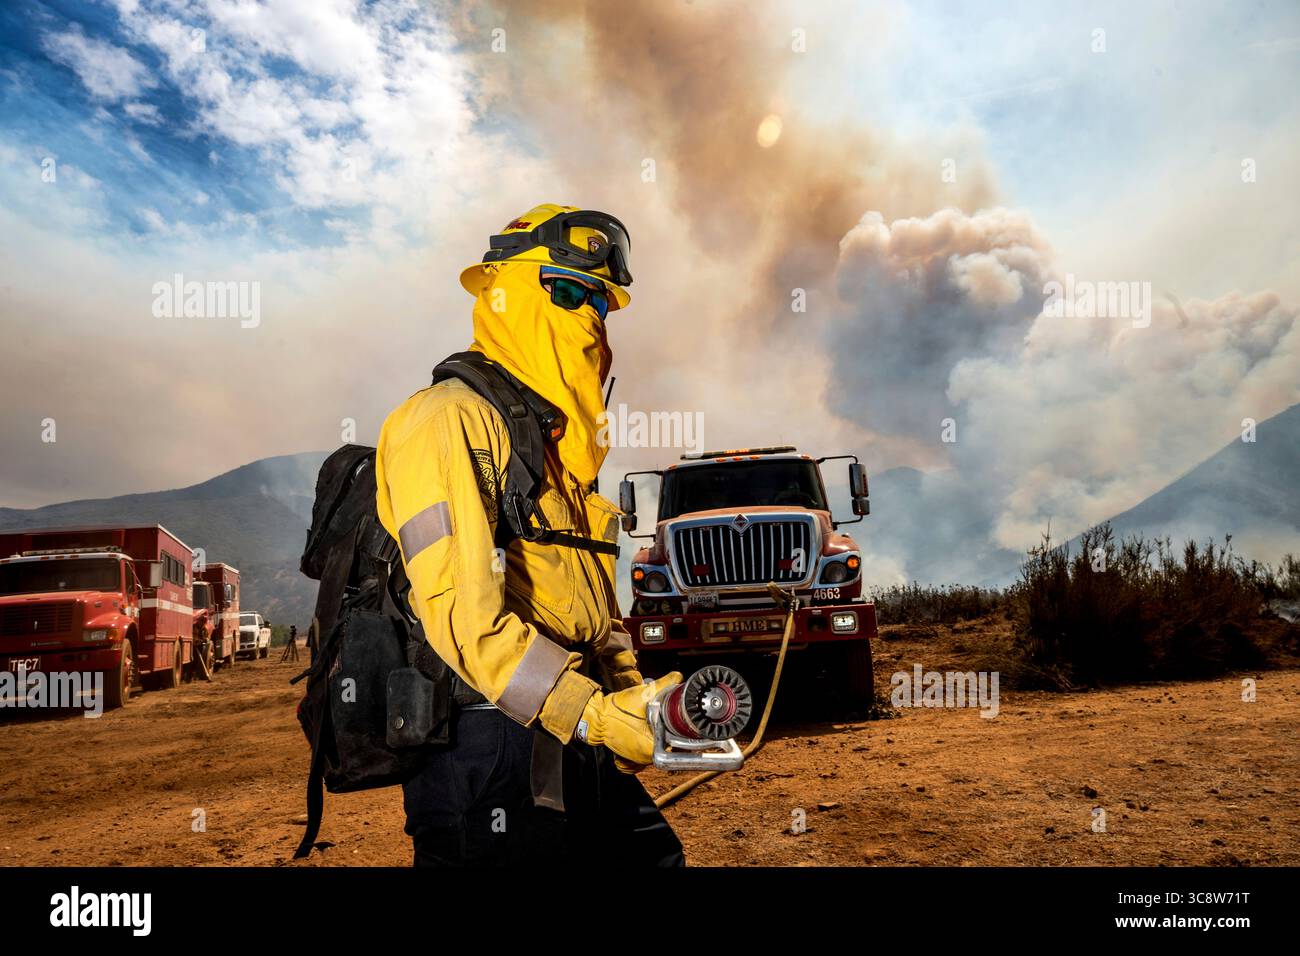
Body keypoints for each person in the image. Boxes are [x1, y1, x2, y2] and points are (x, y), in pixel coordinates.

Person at [375, 204, 685, 866]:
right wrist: (599, 717)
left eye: (598, 301)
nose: (588, 317)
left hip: (572, 716)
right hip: (482, 740)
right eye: (567, 291)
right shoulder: (443, 421)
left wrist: (628, 694)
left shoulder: (559, 449)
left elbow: (586, 598)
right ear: (507, 293)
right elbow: (466, 621)